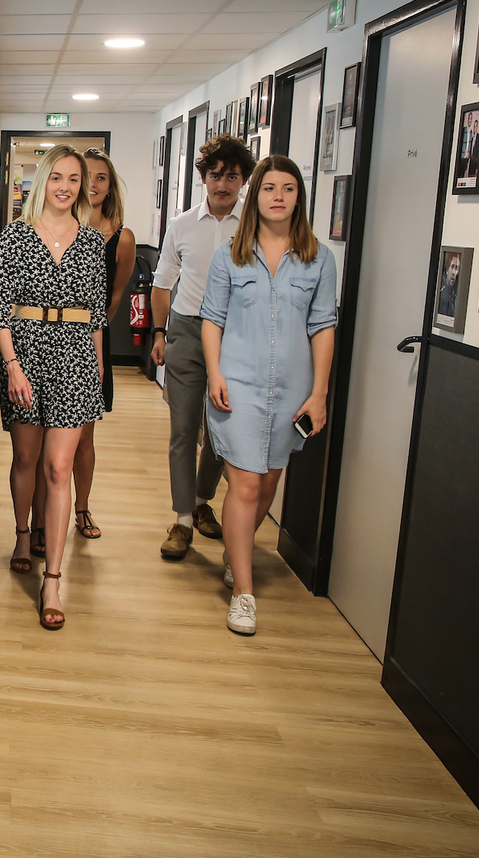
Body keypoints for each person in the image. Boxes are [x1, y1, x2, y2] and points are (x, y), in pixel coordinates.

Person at [201, 155, 337, 635]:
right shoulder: (229, 256)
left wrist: (319, 393)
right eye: (269, 188)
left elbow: (322, 326)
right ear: (254, 195)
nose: (278, 196)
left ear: (299, 197)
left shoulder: (320, 258)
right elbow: (212, 319)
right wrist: (214, 373)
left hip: (291, 391)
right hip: (237, 385)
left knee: (269, 483)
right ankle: (243, 591)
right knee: (245, 485)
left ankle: (233, 552)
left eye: (289, 188)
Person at [0, 144, 108, 630]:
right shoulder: (15, 237)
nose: (65, 186)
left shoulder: (93, 243)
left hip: (76, 356)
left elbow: (97, 313)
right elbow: (0, 307)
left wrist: (98, 370)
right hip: (27, 354)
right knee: (27, 460)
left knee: (61, 468)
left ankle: (53, 580)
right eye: (56, 177)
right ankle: (22, 535)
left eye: (74, 179)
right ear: (41, 182)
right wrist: (12, 364)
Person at [150, 135, 255, 560]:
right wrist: (160, 334)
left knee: (218, 432)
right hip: (188, 332)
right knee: (182, 429)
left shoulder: (255, 223)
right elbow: (162, 283)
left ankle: (201, 498)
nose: (223, 184)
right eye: (216, 175)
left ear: (243, 180)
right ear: (203, 178)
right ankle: (183, 520)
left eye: (232, 176)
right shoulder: (182, 225)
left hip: (236, 336)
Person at [35, 148, 136, 541]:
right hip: (51, 337)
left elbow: (111, 298)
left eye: (99, 178)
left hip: (89, 338)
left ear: (109, 187)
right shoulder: (53, 227)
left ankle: (82, 506)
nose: (90, 185)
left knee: (84, 436)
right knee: (47, 439)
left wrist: (85, 341)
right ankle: (43, 519)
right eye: (84, 176)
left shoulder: (118, 237)